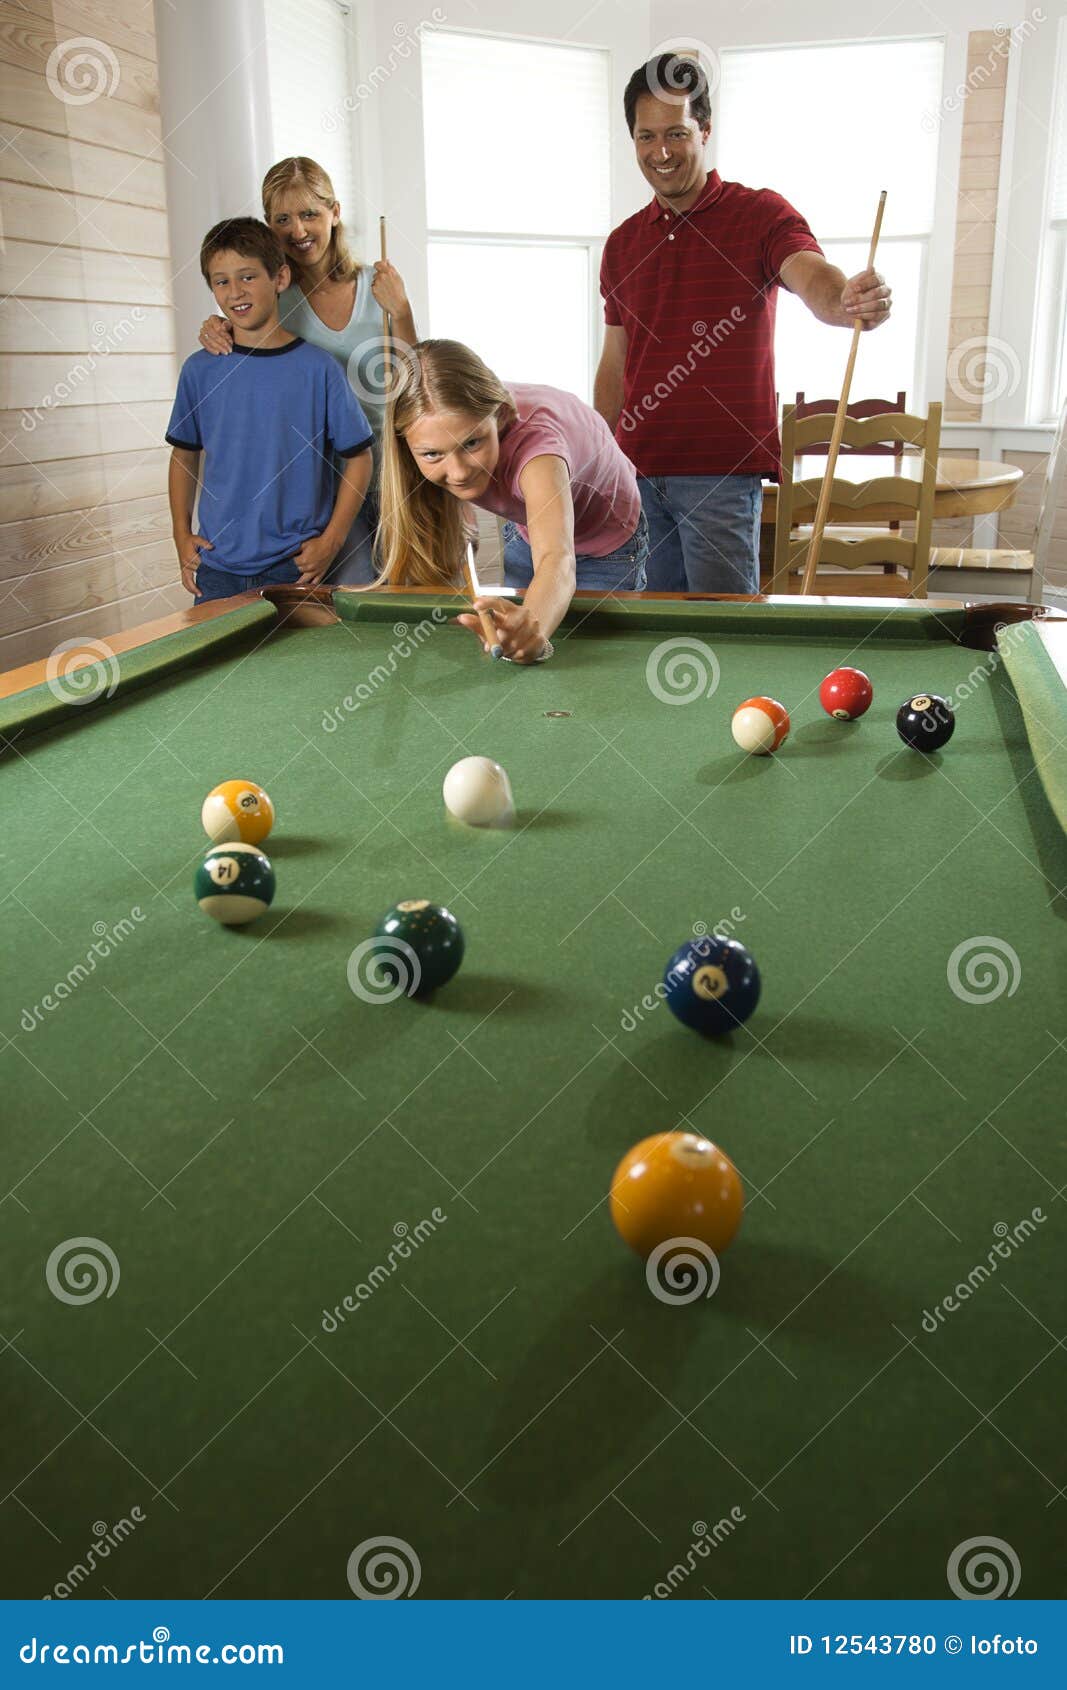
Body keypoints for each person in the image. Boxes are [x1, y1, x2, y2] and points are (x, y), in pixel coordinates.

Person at [595, 55, 893, 594]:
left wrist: (847, 301)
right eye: (646, 137)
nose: (660, 152)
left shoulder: (759, 215)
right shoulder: (622, 244)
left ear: (705, 130)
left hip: (721, 479)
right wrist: (598, 454)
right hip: (635, 474)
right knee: (652, 635)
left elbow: (812, 277)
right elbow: (615, 363)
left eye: (677, 134)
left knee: (723, 634)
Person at [198, 157, 416, 584]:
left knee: (409, 594)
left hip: (395, 470)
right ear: (269, 224)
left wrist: (403, 310)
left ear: (334, 213)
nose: (297, 230)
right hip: (327, 485)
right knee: (352, 598)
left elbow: (413, 377)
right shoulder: (274, 297)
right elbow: (246, 341)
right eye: (283, 218)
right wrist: (214, 327)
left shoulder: (378, 284)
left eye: (309, 214)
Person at [378, 340, 649, 664]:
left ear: (501, 417)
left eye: (472, 443)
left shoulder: (538, 456)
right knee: (512, 634)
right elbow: (420, 370)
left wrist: (532, 634)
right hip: (529, 526)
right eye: (433, 454)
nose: (459, 472)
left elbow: (557, 561)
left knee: (587, 660)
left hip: (605, 538)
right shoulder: (434, 418)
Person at [167, 218, 373, 603]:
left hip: (295, 566)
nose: (234, 292)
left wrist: (332, 540)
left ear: (280, 278)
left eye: (247, 277)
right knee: (223, 665)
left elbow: (359, 457)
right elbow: (183, 455)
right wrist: (180, 533)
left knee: (296, 665)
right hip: (216, 568)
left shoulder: (319, 369)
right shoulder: (198, 370)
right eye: (221, 281)